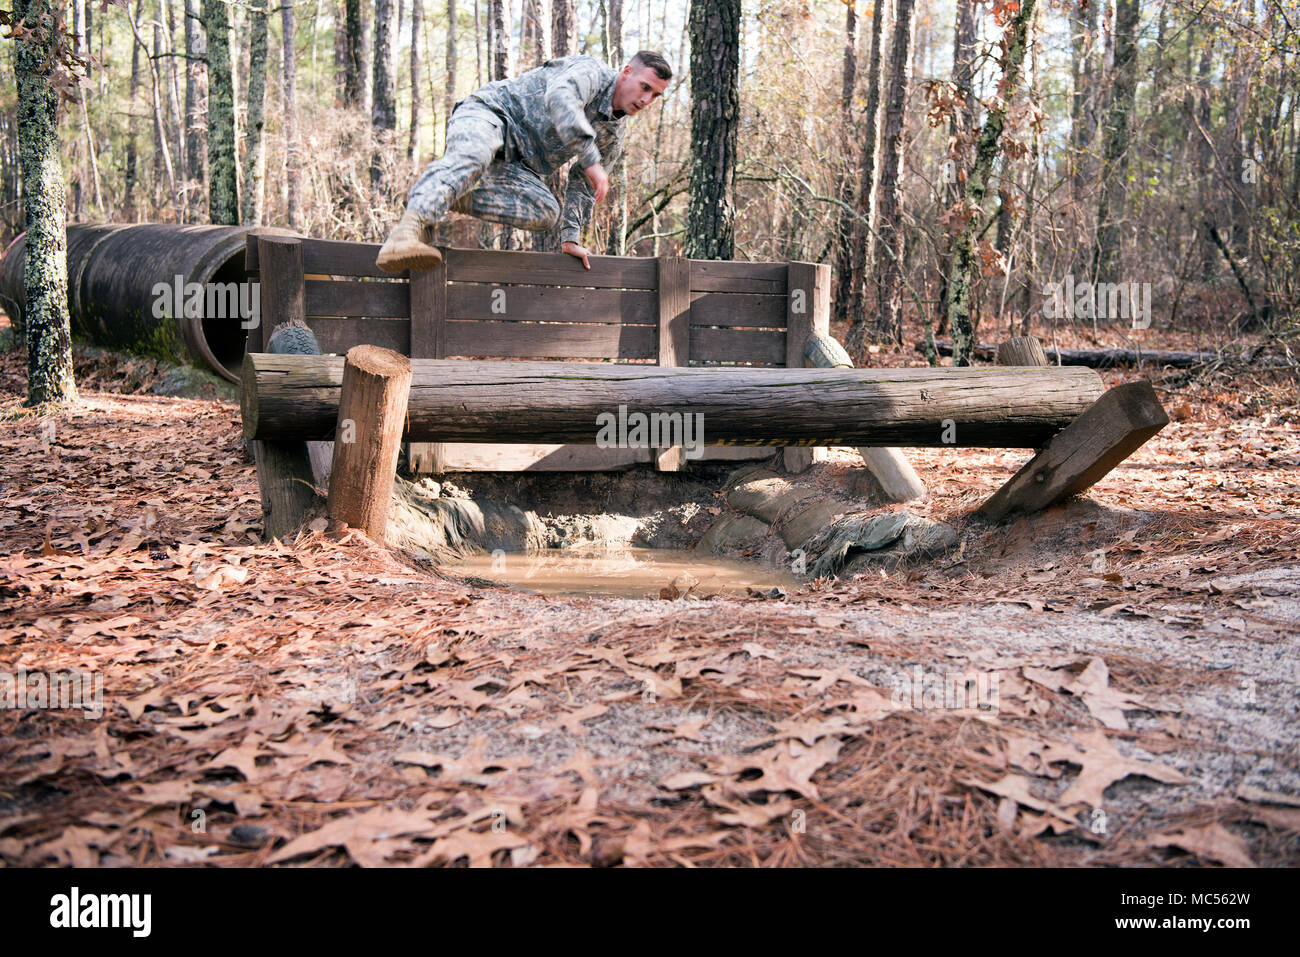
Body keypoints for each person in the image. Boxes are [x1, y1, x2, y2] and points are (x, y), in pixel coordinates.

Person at [376, 50, 672, 273]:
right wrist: (590, 155)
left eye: (655, 96)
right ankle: (404, 234)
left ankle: (445, 199)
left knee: (545, 213)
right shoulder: (592, 72)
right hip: (493, 114)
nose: (647, 100)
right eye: (645, 87)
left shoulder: (614, 134)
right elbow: (560, 97)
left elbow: (583, 185)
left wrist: (570, 237)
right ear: (627, 72)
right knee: (475, 154)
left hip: (519, 165)